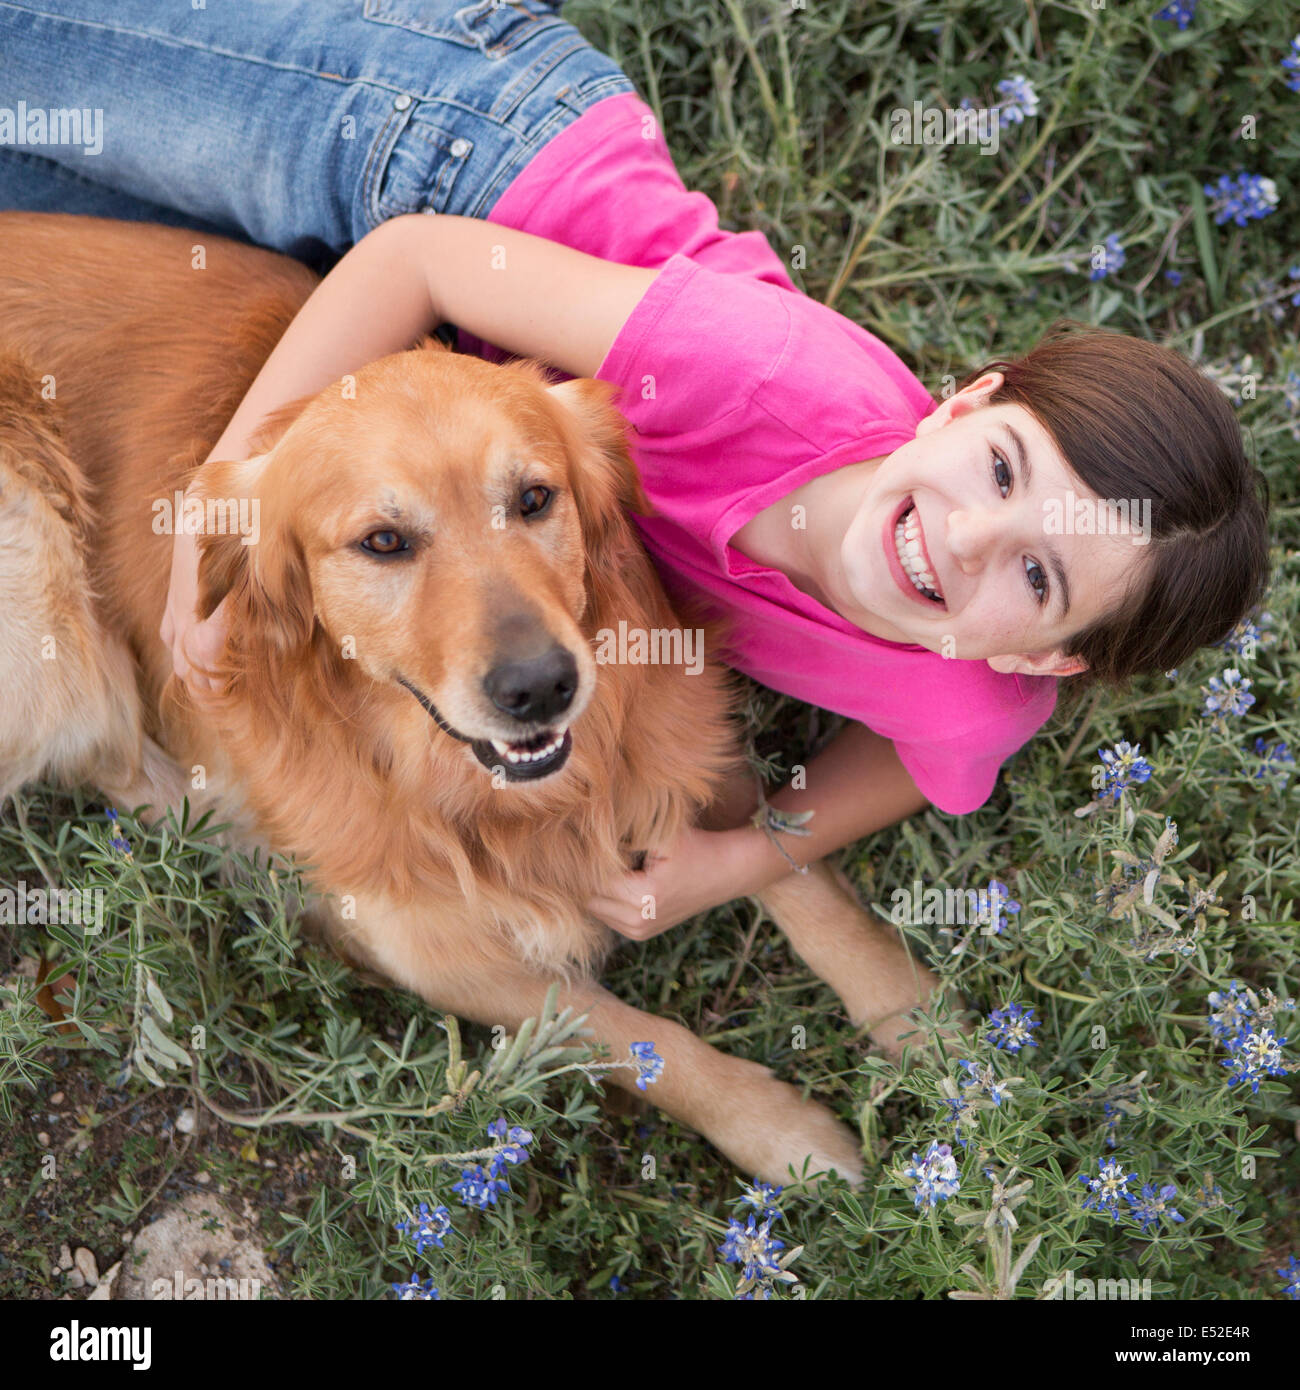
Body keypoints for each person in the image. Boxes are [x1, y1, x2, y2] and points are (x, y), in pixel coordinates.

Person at [0, 0, 1271, 942]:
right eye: (999, 470)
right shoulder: (757, 368)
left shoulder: (975, 700)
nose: (964, 538)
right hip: (442, 149)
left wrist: (735, 864)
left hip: (444, 386)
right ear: (965, 402)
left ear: (1039, 659)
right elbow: (417, 263)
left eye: (1038, 576)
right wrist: (227, 494)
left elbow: (913, 761)